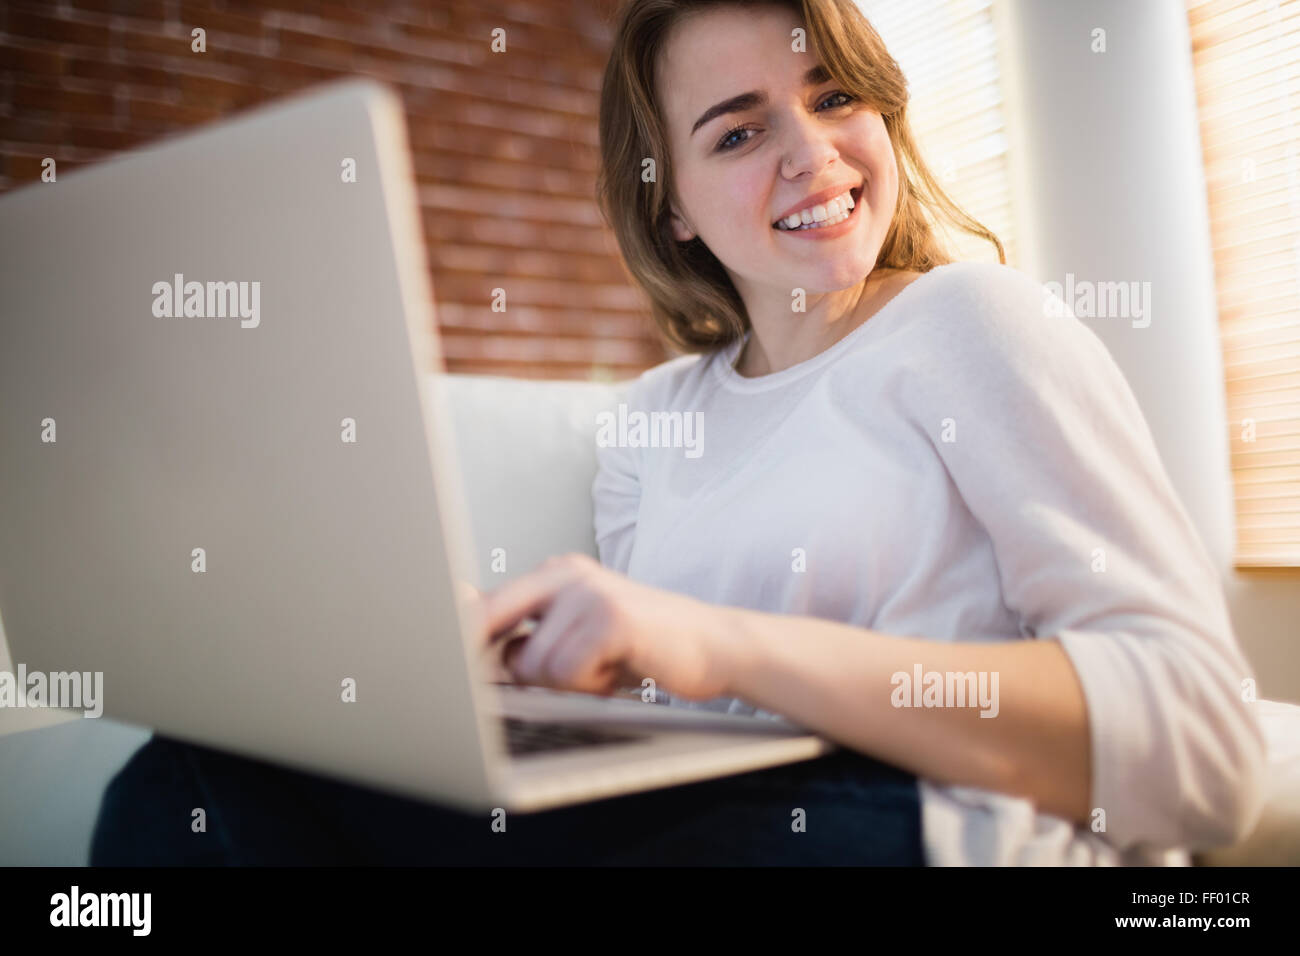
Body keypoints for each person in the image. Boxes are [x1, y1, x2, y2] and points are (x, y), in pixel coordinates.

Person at [92, 0, 1266, 866]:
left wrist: (722, 642)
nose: (810, 151)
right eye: (739, 132)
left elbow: (1201, 736)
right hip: (713, 808)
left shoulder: (973, 324)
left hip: (929, 826)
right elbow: (670, 716)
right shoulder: (654, 419)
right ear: (670, 200)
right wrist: (508, 657)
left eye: (833, 94)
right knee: (191, 773)